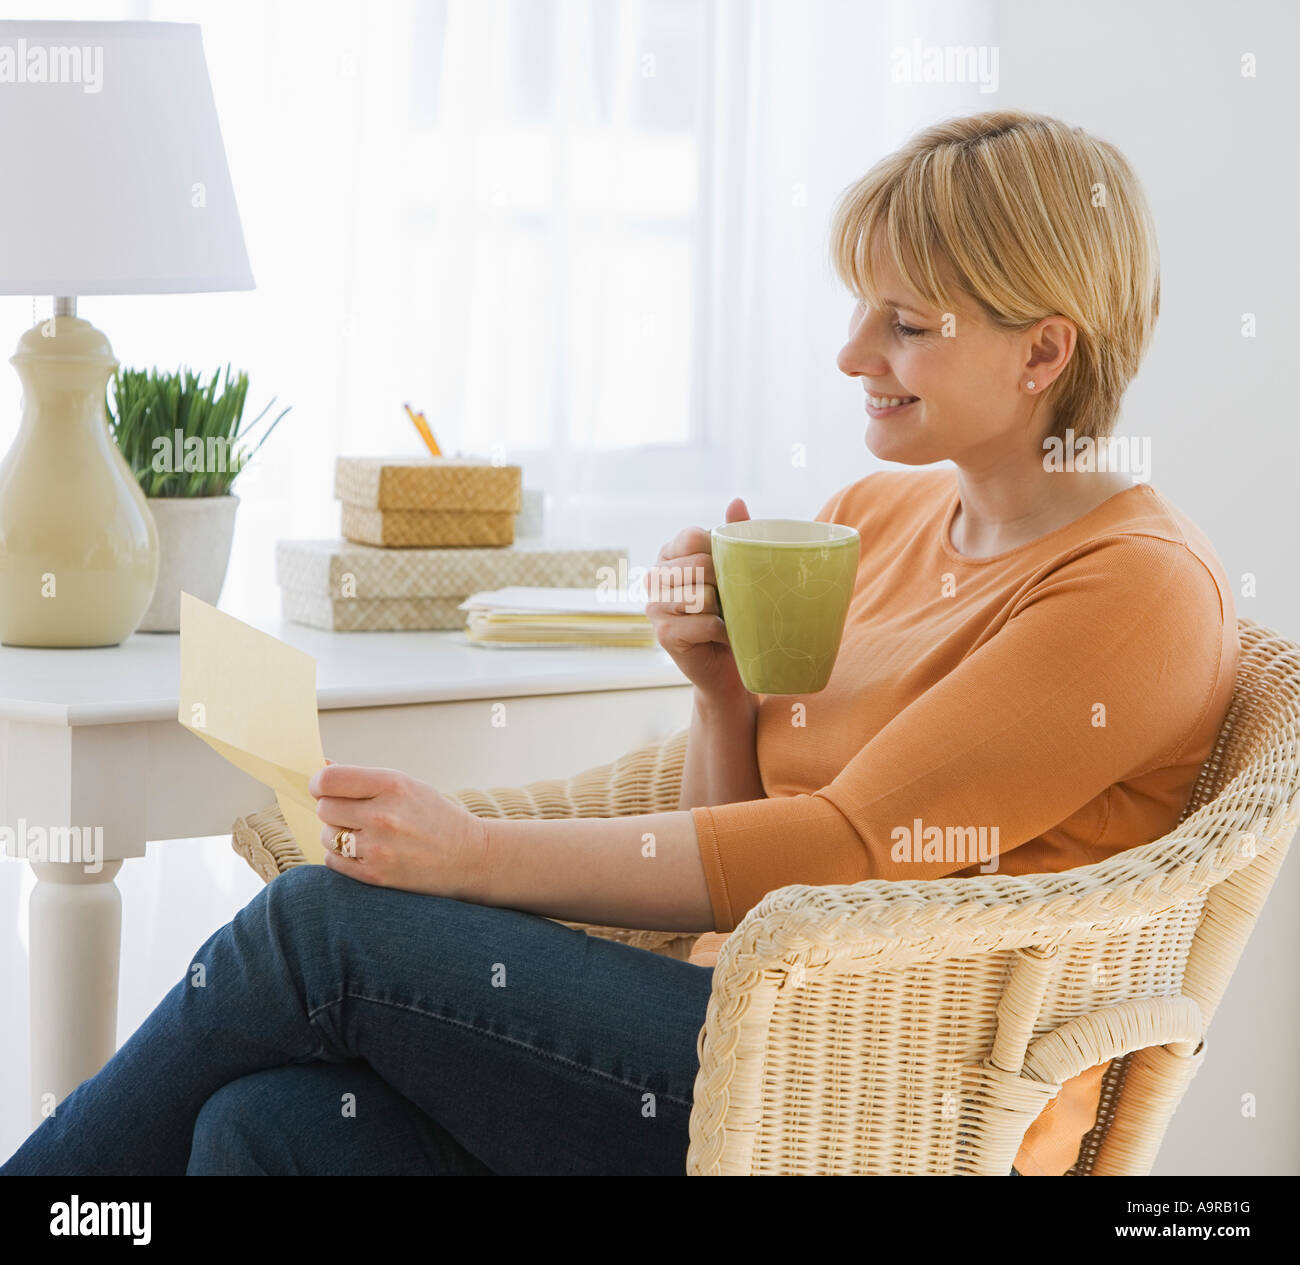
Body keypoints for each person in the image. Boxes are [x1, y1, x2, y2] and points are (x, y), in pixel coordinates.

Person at [2, 109, 1235, 1177]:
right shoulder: (886, 515)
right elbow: (773, 868)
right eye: (860, 306)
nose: (852, 353)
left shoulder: (1131, 594)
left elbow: (843, 849)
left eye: (905, 323)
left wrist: (476, 853)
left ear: (1043, 350)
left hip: (875, 1109)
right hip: (724, 1025)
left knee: (317, 928)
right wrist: (719, 698)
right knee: (265, 1127)